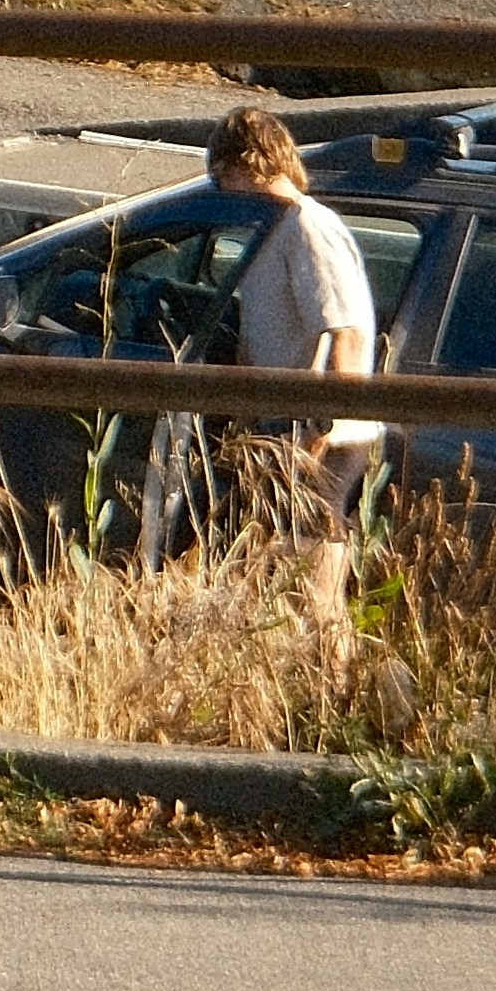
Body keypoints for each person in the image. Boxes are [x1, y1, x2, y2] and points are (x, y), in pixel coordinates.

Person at [213, 103, 386, 617]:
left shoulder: (308, 227)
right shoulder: (274, 229)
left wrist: (317, 430)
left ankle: (332, 676)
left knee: (313, 579)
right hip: (284, 427)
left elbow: (345, 333)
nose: (220, 188)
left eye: (221, 174)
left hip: (322, 436)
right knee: (273, 573)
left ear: (245, 164)